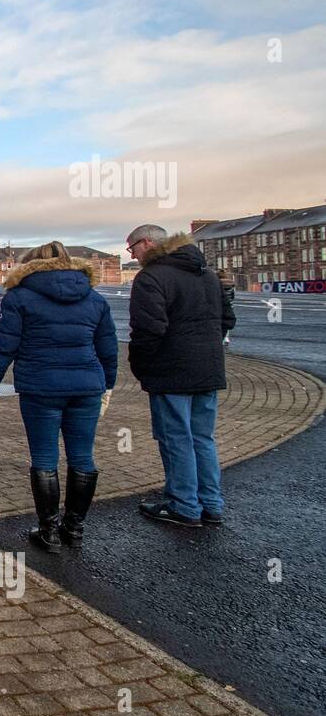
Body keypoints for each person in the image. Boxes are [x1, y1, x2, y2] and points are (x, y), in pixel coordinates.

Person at [0, 241, 118, 551]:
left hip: (41, 389)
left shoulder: (19, 297)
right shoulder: (94, 299)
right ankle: (74, 529)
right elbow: (108, 347)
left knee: (44, 458)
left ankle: (49, 532)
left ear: (30, 264)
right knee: (83, 458)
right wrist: (108, 386)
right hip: (87, 387)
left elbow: (4, 343)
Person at [125, 224, 236, 527]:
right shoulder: (208, 275)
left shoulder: (151, 278)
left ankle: (184, 505)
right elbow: (228, 319)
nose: (132, 256)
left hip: (171, 372)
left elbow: (148, 331)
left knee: (176, 438)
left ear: (146, 243)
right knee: (202, 437)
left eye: (132, 248)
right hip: (208, 370)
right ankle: (211, 504)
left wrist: (141, 365)